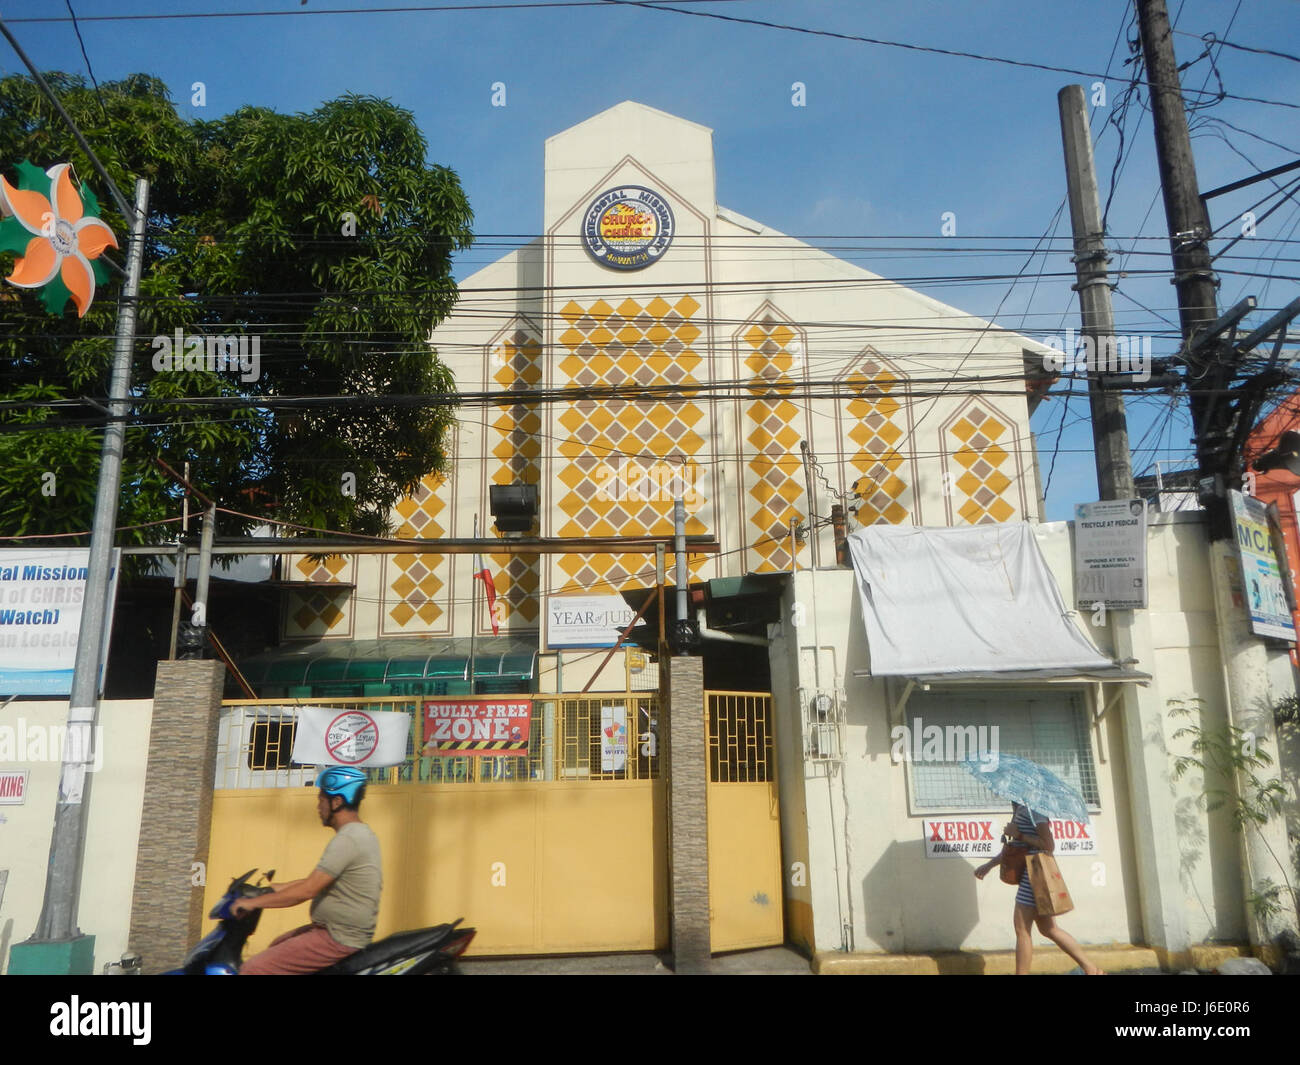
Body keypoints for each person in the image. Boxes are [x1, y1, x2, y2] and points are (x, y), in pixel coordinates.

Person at [233, 766, 383, 975]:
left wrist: (252, 903)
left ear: (337, 802)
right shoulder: (357, 834)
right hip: (335, 931)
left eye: (321, 799)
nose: (318, 806)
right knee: (278, 944)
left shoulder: (348, 839)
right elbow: (316, 881)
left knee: (254, 969)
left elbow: (307, 890)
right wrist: (273, 889)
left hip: (337, 936)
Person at [974, 802, 1103, 975]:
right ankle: (1091, 969)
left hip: (1034, 874)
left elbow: (1048, 845)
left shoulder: (1034, 809)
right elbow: (1015, 849)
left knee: (1022, 929)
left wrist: (1018, 834)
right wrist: (989, 865)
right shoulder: (1021, 809)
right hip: (1032, 874)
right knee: (1049, 929)